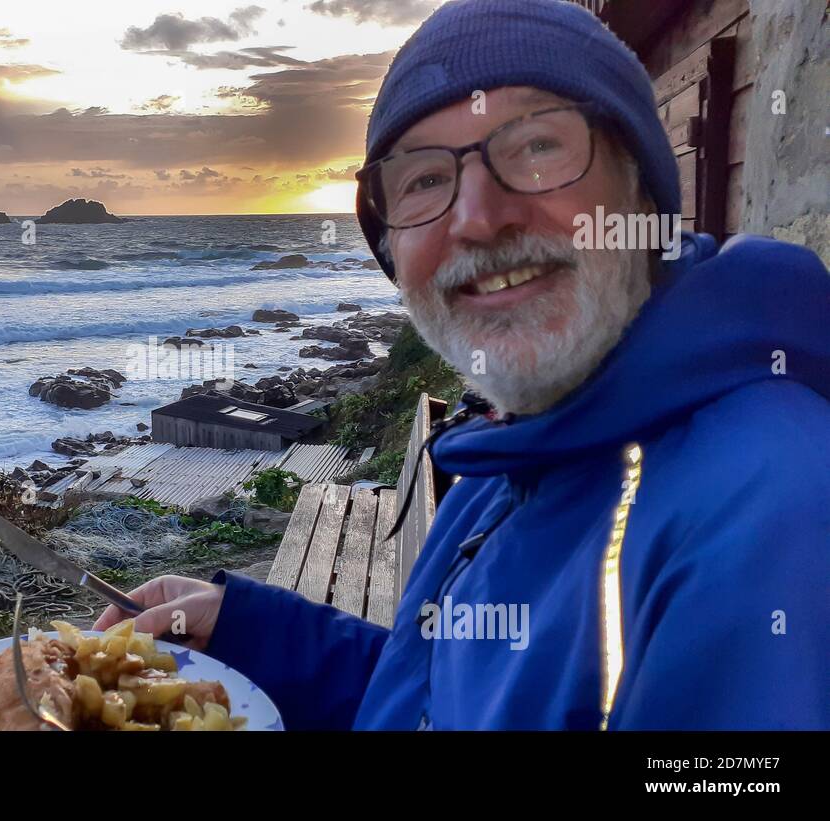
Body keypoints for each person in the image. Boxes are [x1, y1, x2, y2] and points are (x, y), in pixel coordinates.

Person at [95, 0, 829, 729]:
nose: (477, 218)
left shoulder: (773, 518)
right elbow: (439, 698)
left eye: (538, 146)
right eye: (422, 180)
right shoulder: (513, 447)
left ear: (644, 186)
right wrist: (251, 633)